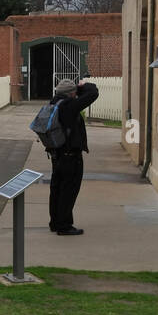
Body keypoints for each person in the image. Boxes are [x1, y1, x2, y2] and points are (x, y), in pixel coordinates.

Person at [48, 77, 98, 235]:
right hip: (70, 157)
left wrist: (74, 90)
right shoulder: (69, 106)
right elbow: (93, 93)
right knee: (68, 191)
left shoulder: (54, 103)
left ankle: (55, 222)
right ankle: (64, 226)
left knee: (56, 189)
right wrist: (82, 86)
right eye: (75, 93)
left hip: (57, 156)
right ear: (71, 93)